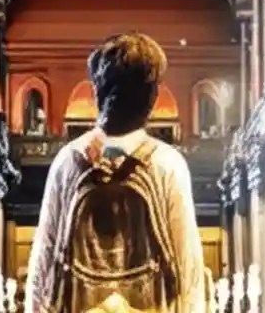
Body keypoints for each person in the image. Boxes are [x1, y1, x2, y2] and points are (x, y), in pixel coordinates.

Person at [25, 32, 206, 312]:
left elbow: (43, 264)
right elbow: (188, 269)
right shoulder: (167, 164)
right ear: (152, 96)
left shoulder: (68, 161)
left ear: (97, 92)